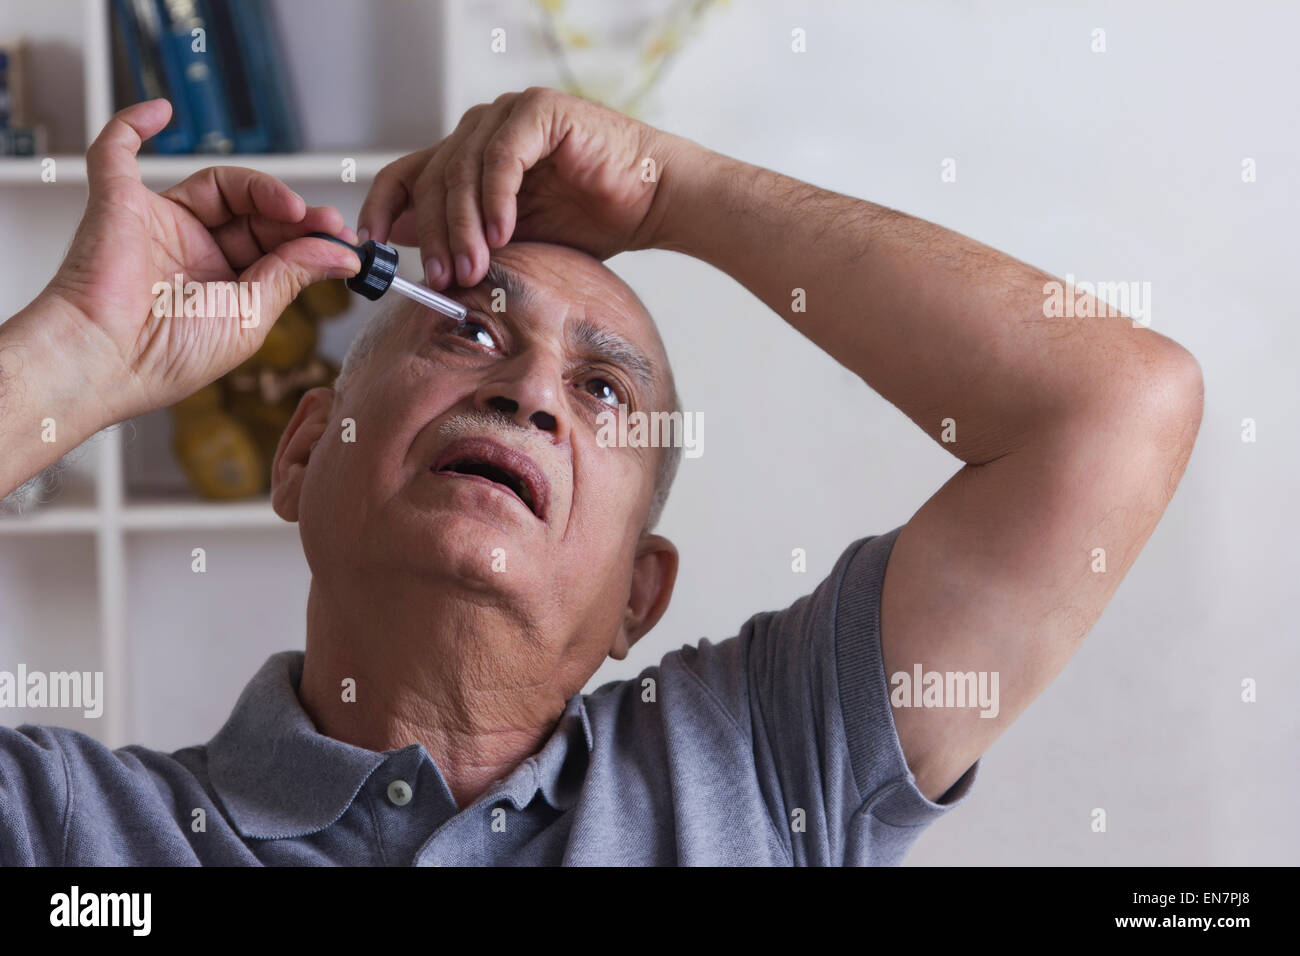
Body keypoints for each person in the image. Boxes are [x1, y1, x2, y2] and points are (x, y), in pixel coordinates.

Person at [0, 88, 1202, 866]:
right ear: (306, 450)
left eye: (602, 391)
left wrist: (678, 191)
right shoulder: (77, 842)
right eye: (468, 329)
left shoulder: (765, 764)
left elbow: (1113, 406)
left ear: (641, 592)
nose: (526, 390)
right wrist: (81, 356)